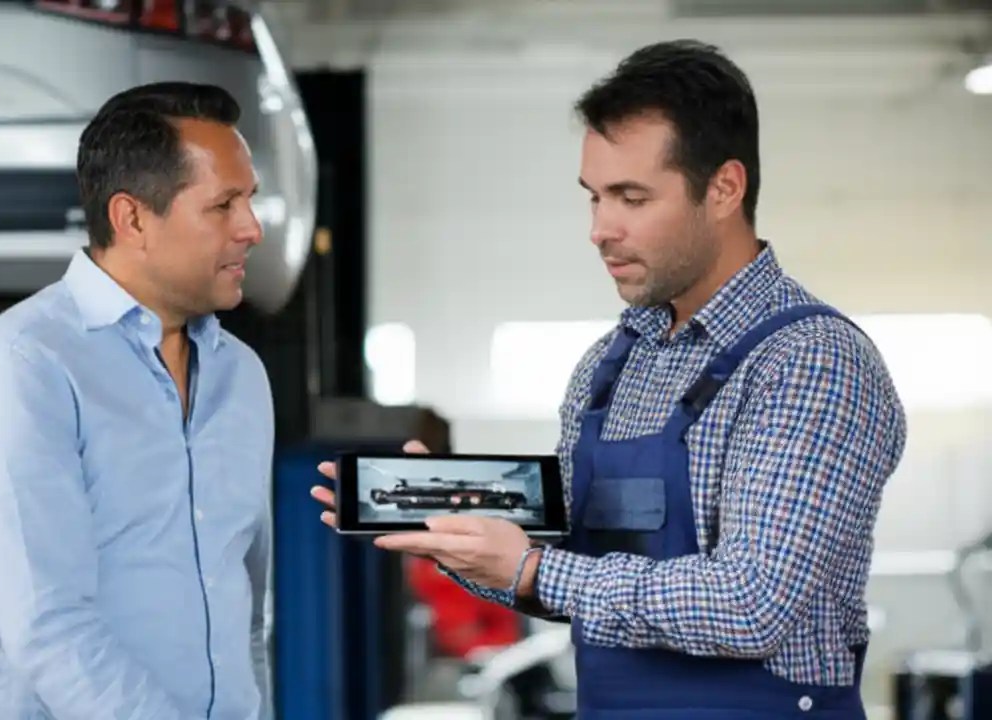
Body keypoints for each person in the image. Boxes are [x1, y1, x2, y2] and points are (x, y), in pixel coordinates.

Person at [313, 39, 906, 719]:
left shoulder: (811, 361)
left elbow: (752, 606)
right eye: (594, 197)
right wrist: (468, 537)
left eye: (631, 197)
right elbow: (566, 574)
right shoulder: (609, 367)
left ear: (724, 188)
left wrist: (532, 569)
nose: (600, 229)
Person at [0, 82, 274, 720]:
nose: (252, 229)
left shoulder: (242, 376)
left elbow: (246, 621)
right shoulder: (23, 366)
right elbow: (48, 628)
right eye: (224, 205)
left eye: (249, 200)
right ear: (133, 218)